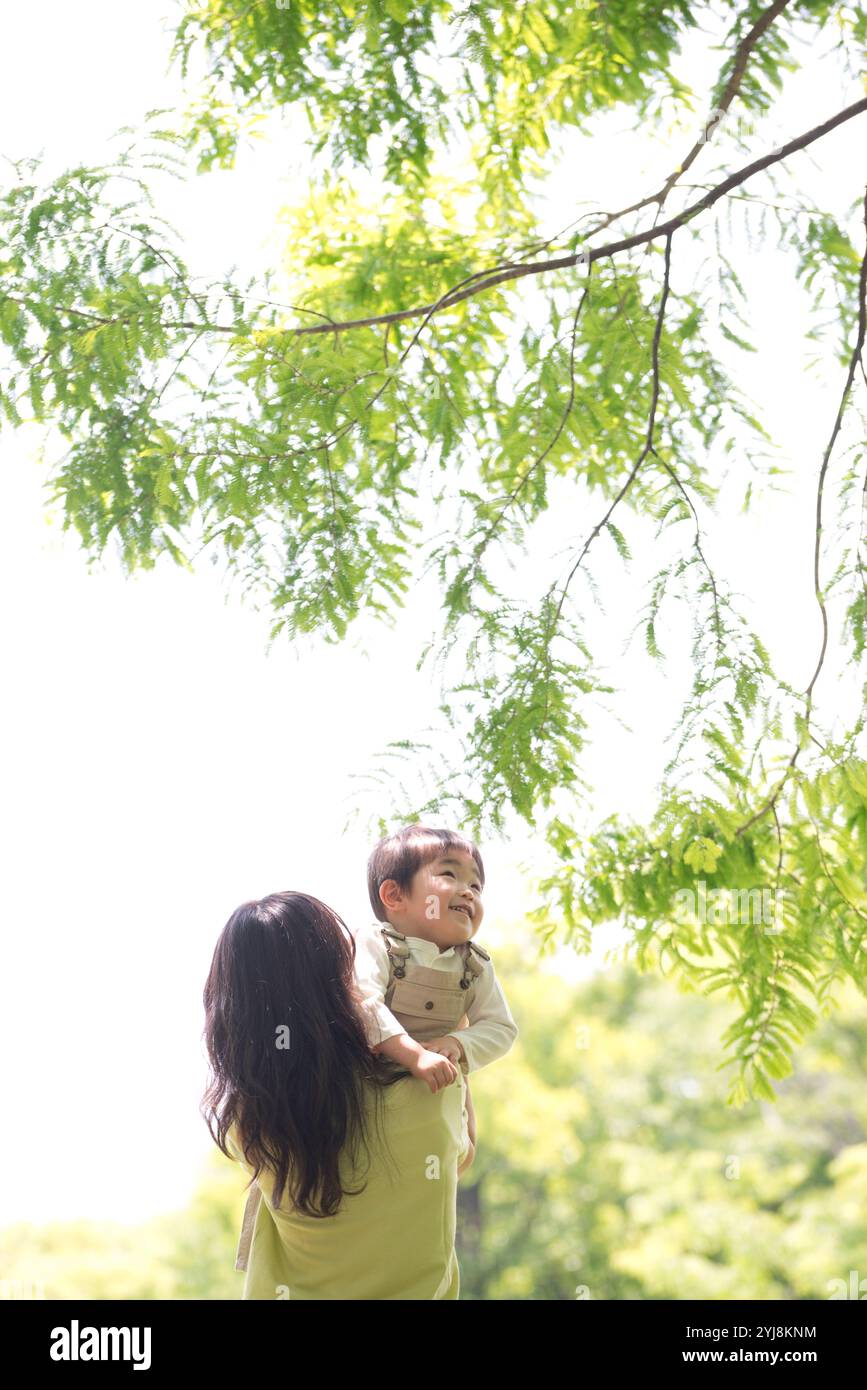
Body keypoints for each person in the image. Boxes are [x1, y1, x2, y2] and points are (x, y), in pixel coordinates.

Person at [201, 891, 474, 1299]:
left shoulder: (250, 1121)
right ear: (343, 980)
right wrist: (455, 1027)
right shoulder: (430, 1088)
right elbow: (461, 1158)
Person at [353, 824, 519, 1156]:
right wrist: (414, 1055)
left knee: (448, 1161)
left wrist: (456, 1043)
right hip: (368, 1092)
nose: (469, 891)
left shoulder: (474, 964)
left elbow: (500, 1028)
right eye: (449, 875)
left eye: (476, 884)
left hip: (435, 1091)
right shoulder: (377, 942)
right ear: (395, 896)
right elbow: (362, 1004)